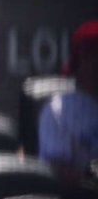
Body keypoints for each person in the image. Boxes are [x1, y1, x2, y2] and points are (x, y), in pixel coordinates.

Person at [38, 19, 98, 187]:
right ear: (77, 64)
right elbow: (59, 173)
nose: (96, 63)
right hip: (76, 198)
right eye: (90, 54)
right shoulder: (57, 111)